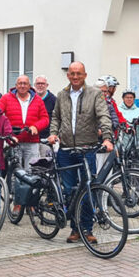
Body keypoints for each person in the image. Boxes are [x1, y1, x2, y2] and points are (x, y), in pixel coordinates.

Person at [47, 62, 113, 243]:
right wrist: (53, 133)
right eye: (72, 74)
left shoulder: (95, 94)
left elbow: (103, 116)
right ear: (68, 75)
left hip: (87, 149)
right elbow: (56, 117)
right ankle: (75, 229)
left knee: (87, 190)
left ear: (85, 75)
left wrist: (107, 137)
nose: (75, 77)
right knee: (70, 191)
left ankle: (87, 229)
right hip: (66, 150)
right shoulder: (62, 95)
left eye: (79, 74)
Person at [0, 75, 49, 178]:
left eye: (25, 83)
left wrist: (36, 126)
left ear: (29, 86)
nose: (22, 86)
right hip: (14, 141)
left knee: (31, 173)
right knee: (15, 173)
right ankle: (14, 193)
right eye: (20, 83)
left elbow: (45, 119)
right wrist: (7, 132)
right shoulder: (6, 98)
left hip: (32, 142)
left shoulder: (37, 100)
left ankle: (30, 194)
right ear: (16, 85)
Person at [33, 75, 56, 142]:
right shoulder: (30, 99)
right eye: (38, 84)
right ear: (34, 85)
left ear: (47, 85)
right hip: (32, 137)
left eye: (42, 84)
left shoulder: (53, 100)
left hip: (47, 138)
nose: (40, 85)